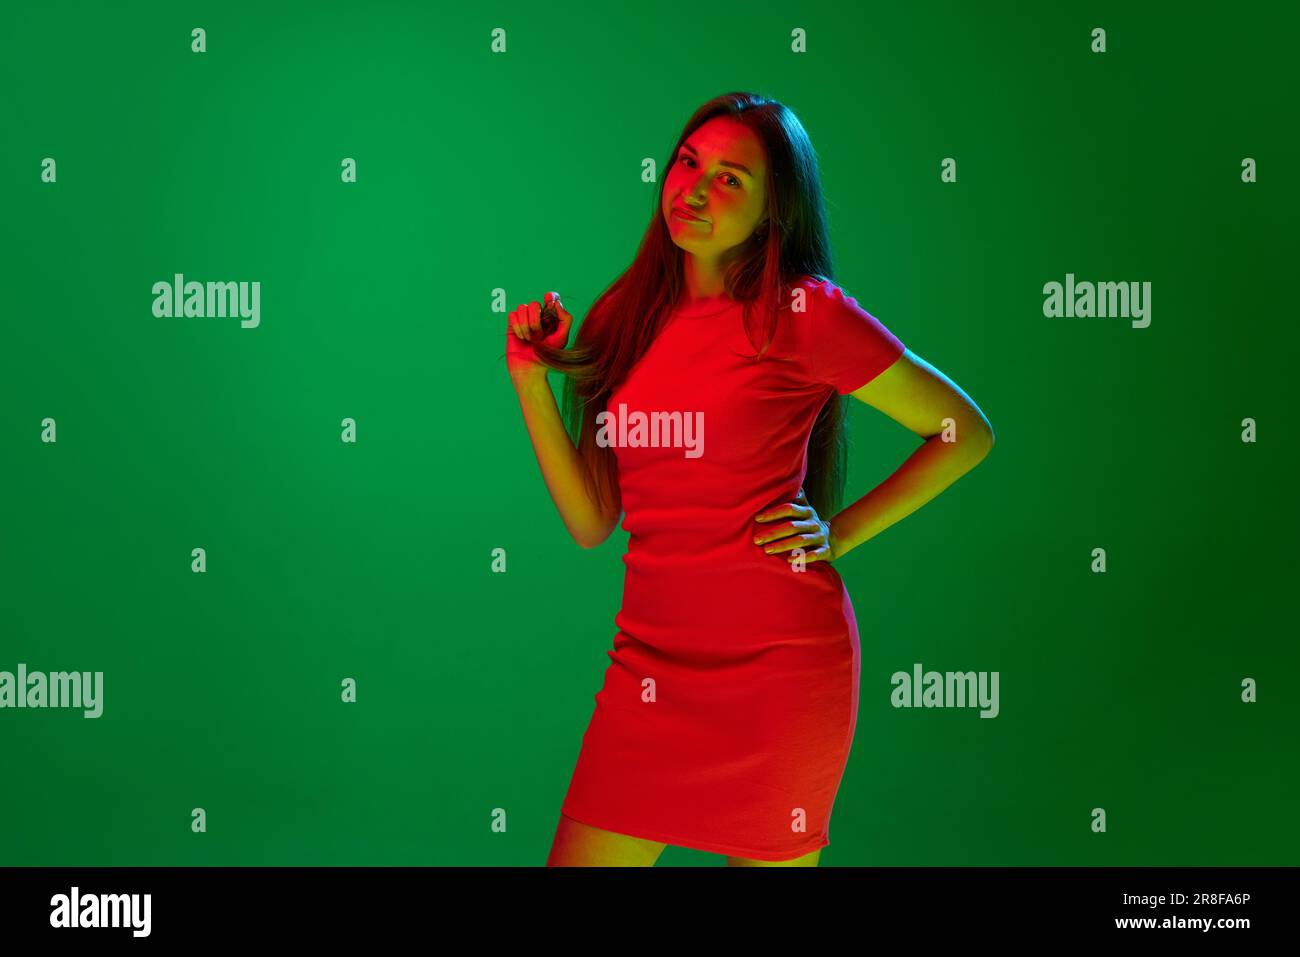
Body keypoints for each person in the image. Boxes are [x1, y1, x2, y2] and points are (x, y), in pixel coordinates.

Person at [506, 92, 994, 866]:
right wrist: (531, 381)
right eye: (688, 163)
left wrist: (839, 531)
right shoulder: (619, 319)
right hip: (648, 676)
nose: (694, 189)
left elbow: (964, 431)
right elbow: (593, 519)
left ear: (775, 212)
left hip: (780, 677)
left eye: (731, 178)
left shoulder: (803, 315)